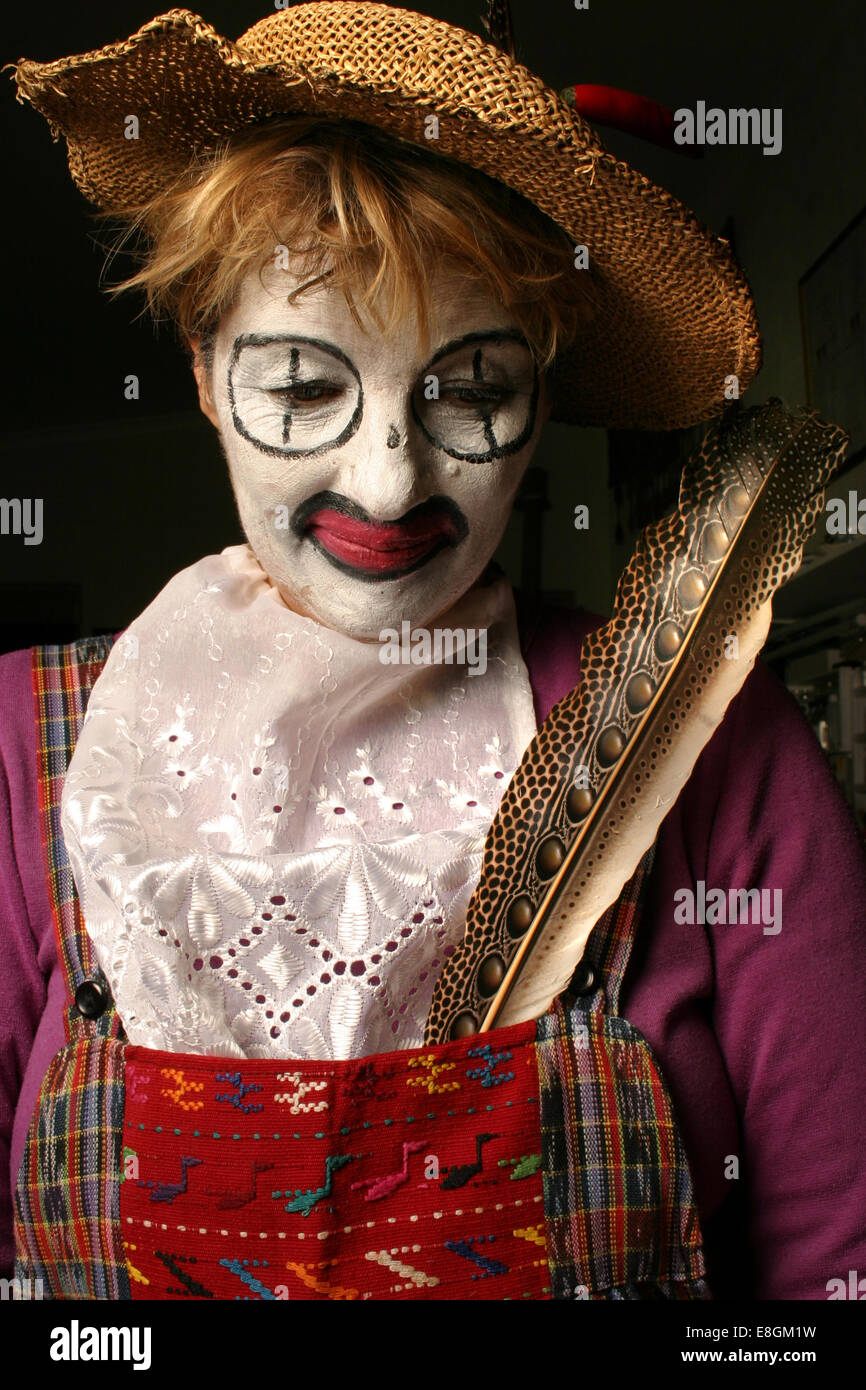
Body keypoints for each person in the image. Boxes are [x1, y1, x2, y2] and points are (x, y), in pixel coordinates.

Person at [3, 2, 864, 1302]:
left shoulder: (724, 746)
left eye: (467, 392)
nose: (389, 478)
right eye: (301, 387)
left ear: (545, 384)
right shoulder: (23, 747)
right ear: (199, 369)